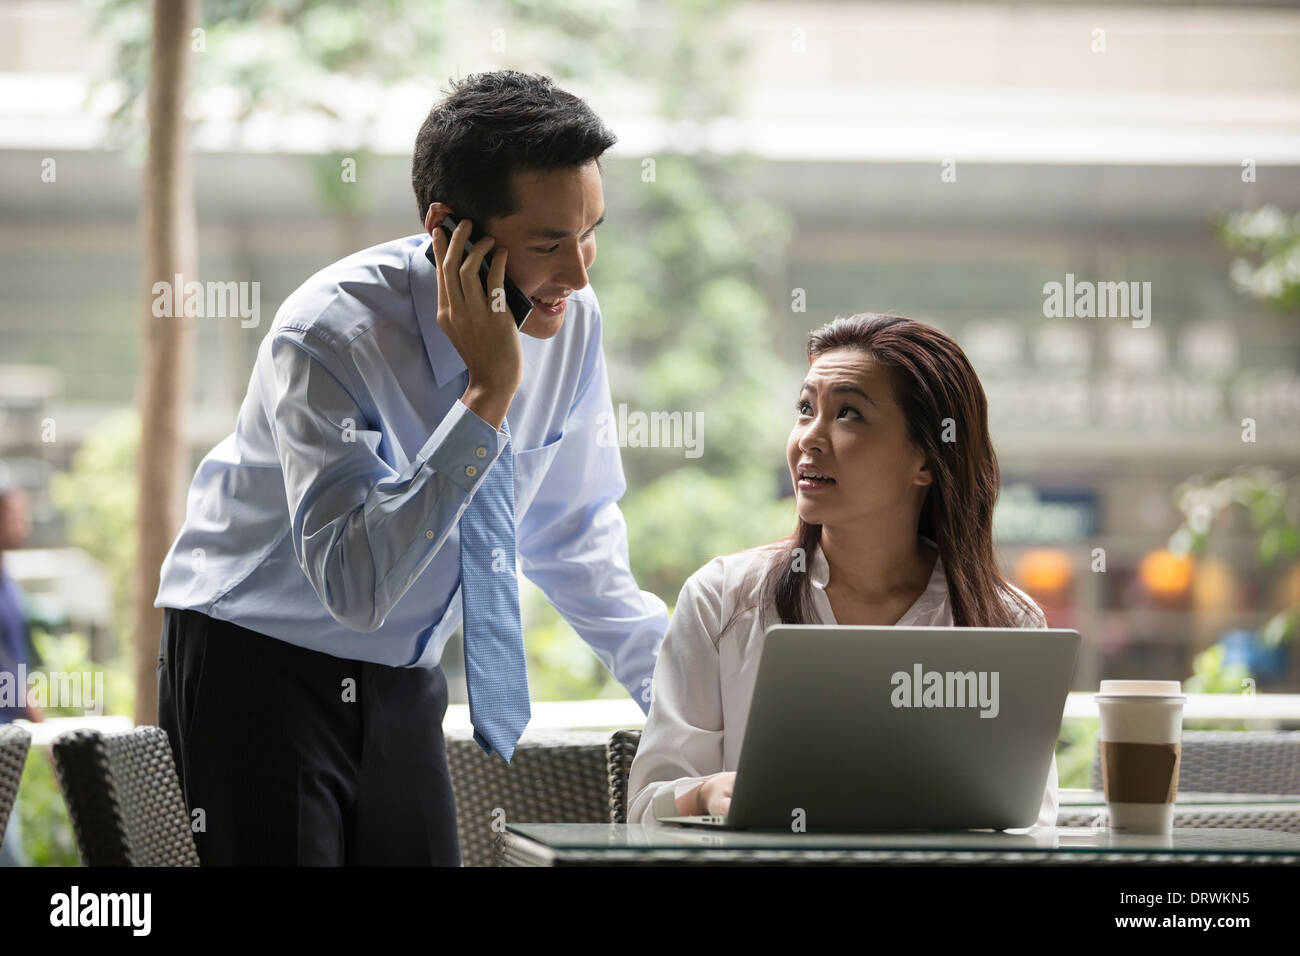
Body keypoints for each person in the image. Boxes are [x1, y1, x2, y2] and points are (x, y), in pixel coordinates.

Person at [154, 71, 668, 865]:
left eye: (591, 231)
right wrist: (488, 397)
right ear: (449, 231)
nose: (579, 275)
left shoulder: (572, 323)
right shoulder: (328, 338)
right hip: (253, 661)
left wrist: (686, 706)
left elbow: (572, 537)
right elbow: (354, 584)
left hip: (403, 673)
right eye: (548, 244)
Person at [627, 313, 1058, 828]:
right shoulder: (721, 598)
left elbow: (1034, 823)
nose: (810, 437)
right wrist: (705, 793)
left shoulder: (1004, 624)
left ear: (925, 459)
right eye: (806, 409)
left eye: (848, 414)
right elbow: (641, 809)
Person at [0, 481, 45, 867]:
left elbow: (21, 659)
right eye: (16, 513)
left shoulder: (9, 584)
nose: (25, 521)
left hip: (7, 738)